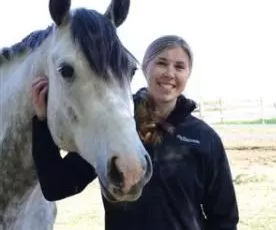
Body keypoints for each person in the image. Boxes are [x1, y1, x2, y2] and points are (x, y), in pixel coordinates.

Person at [31, 35, 239, 230]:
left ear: (188, 74)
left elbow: (224, 218)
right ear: (146, 67)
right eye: (161, 63)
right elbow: (56, 186)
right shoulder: (114, 128)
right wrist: (41, 122)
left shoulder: (205, 139)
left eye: (179, 67)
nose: (170, 73)